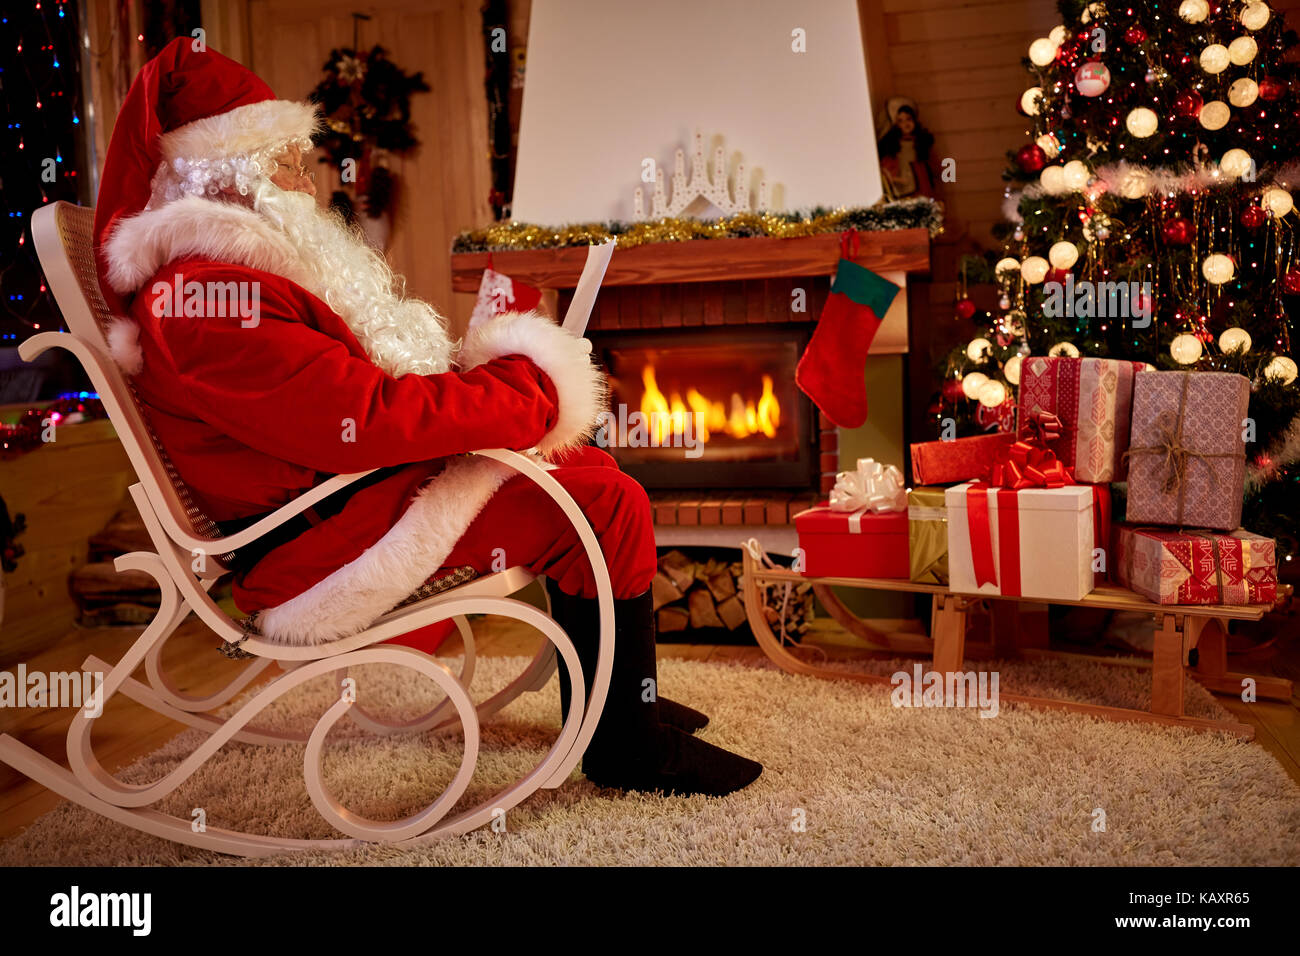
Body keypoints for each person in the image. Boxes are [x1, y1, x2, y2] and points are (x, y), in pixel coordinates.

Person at [92, 39, 761, 798]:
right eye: (287, 162)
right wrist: (524, 391)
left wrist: (505, 390)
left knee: (591, 473)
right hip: (316, 541)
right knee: (601, 501)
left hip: (342, 497)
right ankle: (626, 748)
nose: (309, 183)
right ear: (230, 174)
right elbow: (365, 418)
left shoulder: (232, 280)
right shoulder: (211, 300)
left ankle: (610, 704)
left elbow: (349, 411)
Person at [877, 100, 935, 200]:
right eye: (900, 121)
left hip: (922, 181)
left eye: (909, 119)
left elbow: (931, 163)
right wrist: (897, 179)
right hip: (904, 185)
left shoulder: (920, 141)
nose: (906, 124)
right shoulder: (893, 145)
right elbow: (886, 168)